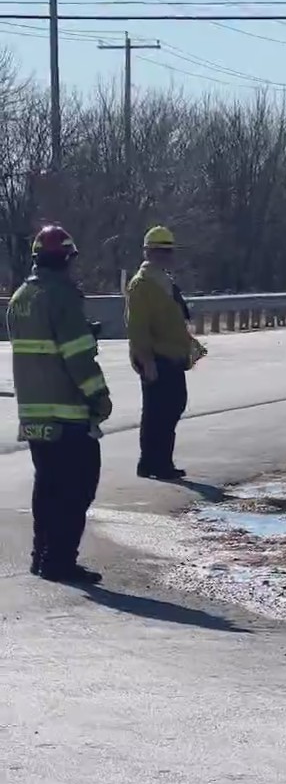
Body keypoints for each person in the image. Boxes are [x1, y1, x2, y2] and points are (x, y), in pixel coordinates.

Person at [6, 224, 110, 584]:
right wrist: (99, 396)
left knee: (47, 485)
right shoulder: (62, 296)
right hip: (66, 412)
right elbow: (77, 356)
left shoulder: (21, 297)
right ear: (66, 259)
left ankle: (41, 555)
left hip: (33, 412)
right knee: (78, 486)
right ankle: (60, 561)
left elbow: (41, 349)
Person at [125, 225, 202, 480]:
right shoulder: (142, 284)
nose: (165, 255)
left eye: (168, 251)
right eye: (159, 251)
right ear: (148, 252)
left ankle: (157, 461)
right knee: (158, 412)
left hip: (172, 356)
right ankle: (153, 463)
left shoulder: (163, 280)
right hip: (156, 357)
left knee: (170, 408)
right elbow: (138, 327)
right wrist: (146, 361)